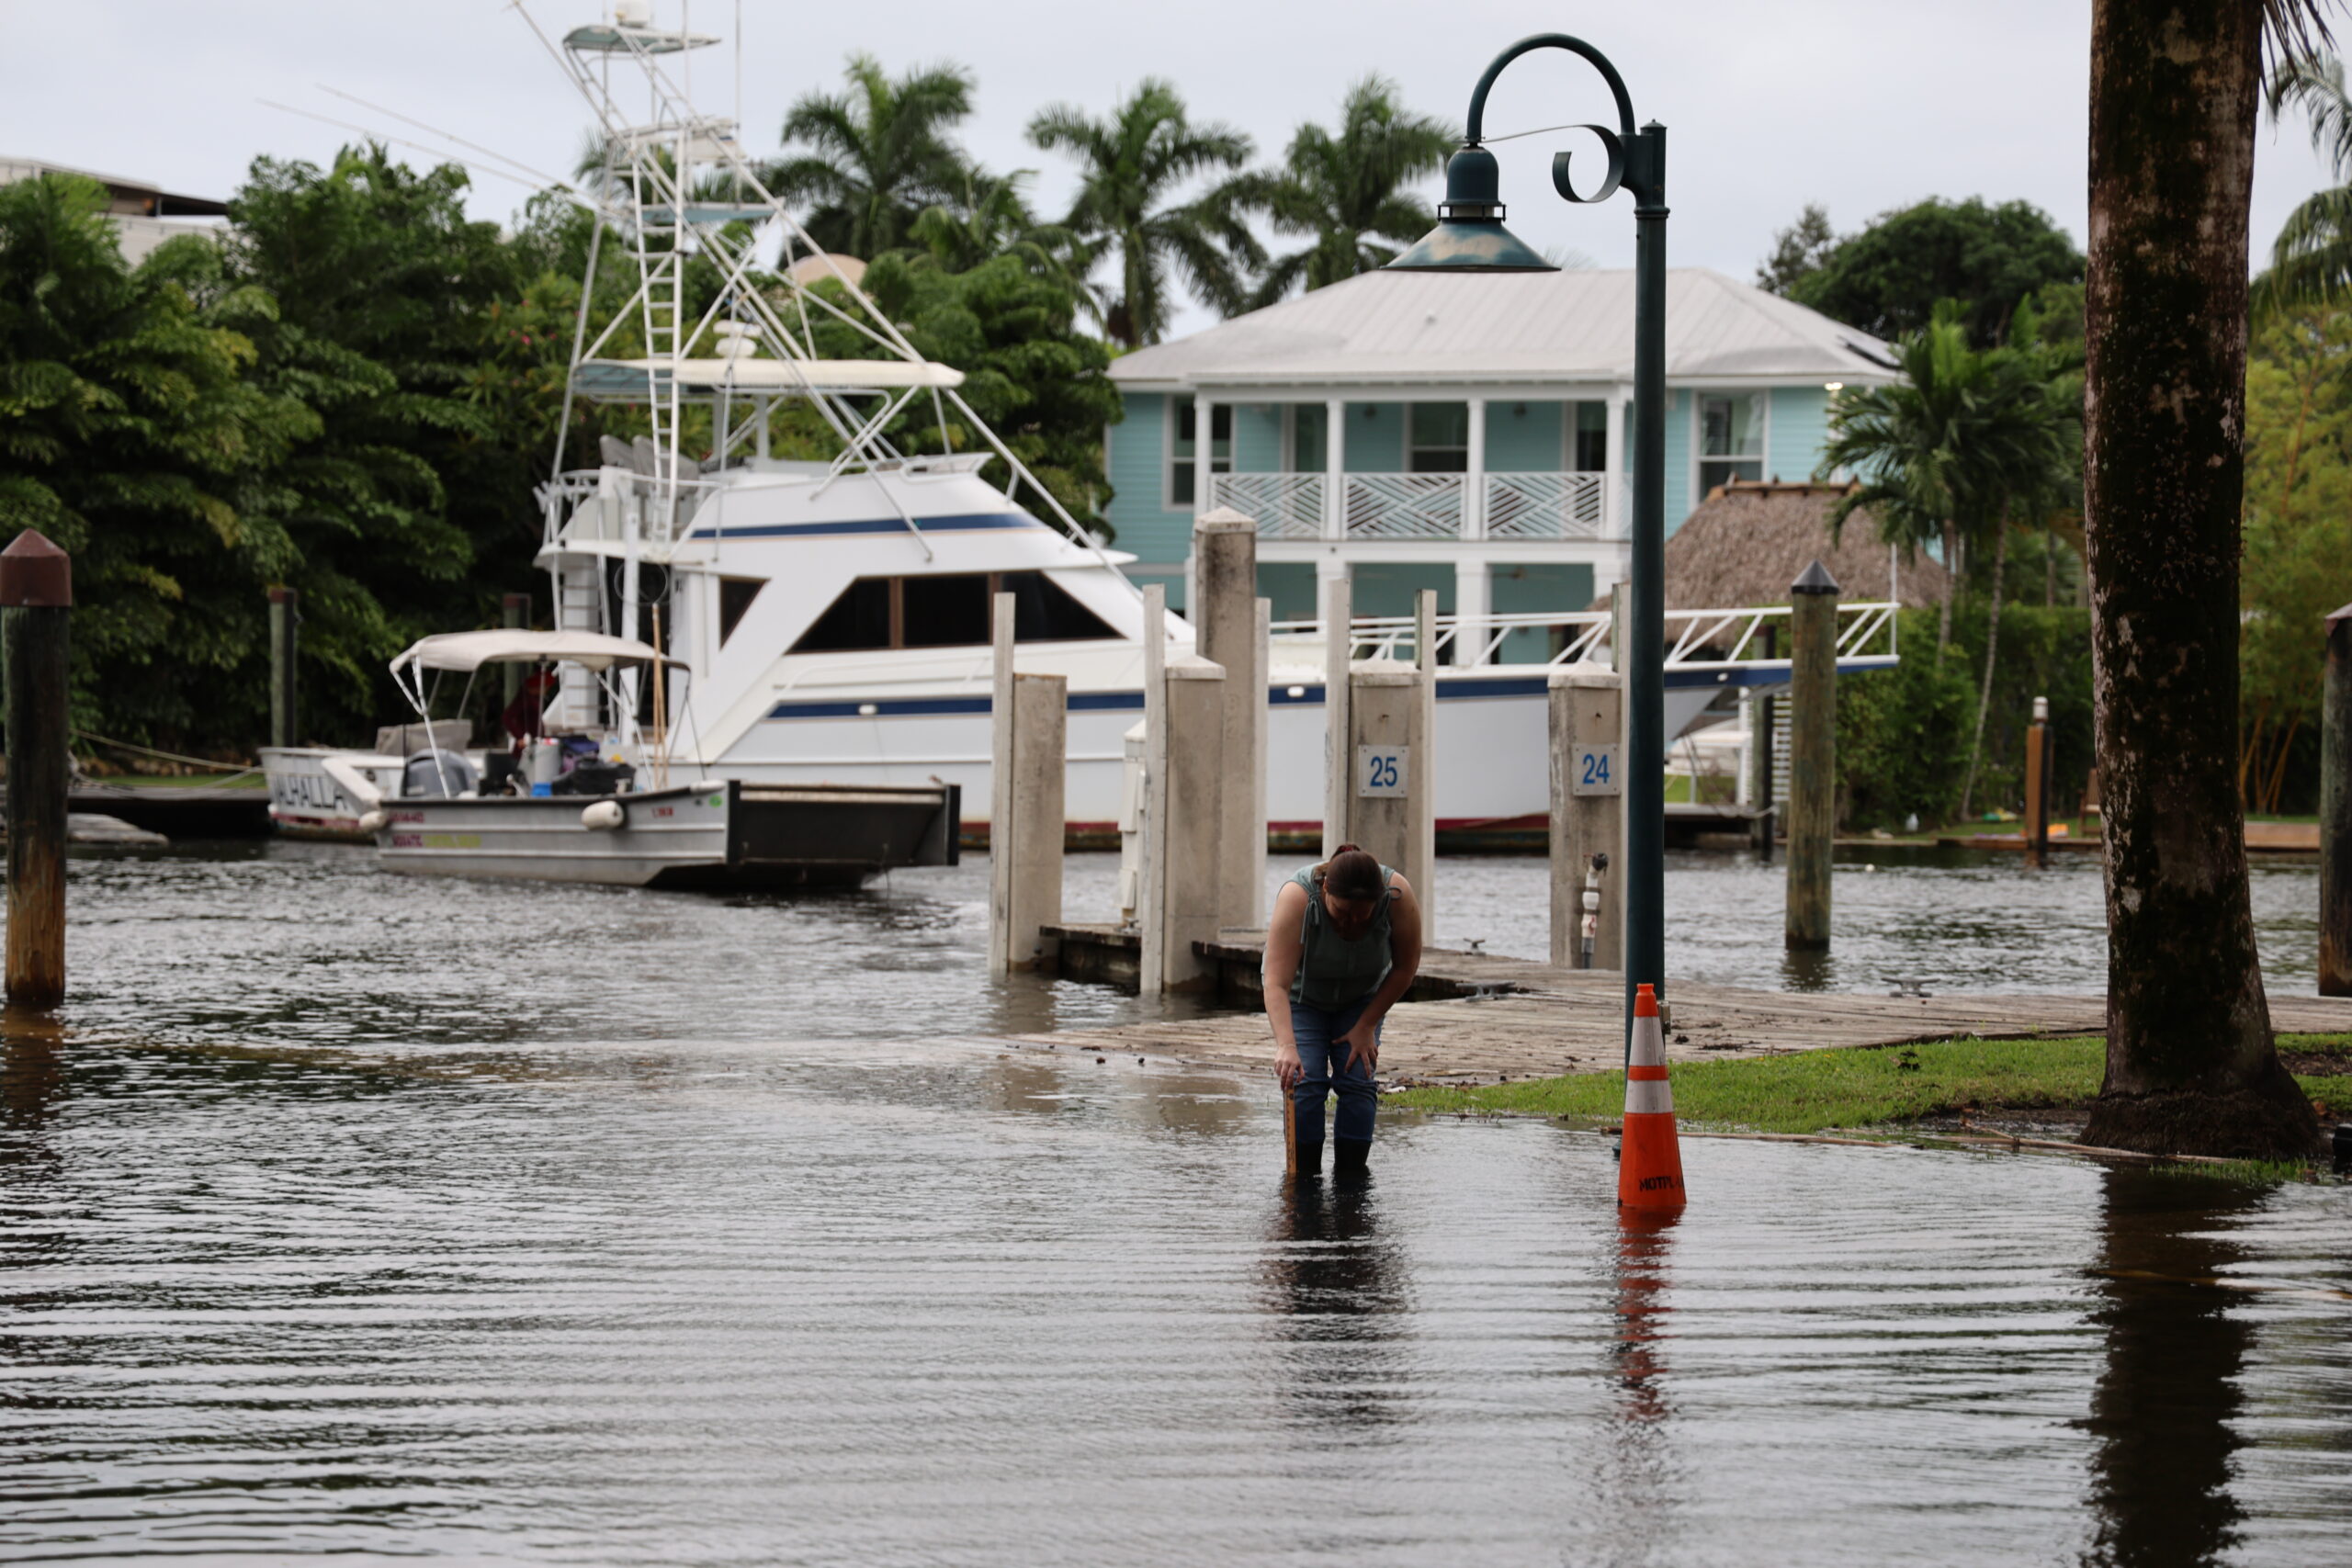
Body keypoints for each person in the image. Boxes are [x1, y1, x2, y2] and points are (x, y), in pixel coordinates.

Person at [1262, 843, 1423, 1180]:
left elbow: (1405, 969)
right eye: (1341, 912)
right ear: (1324, 891)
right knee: (1305, 1081)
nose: (1350, 923)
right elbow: (1275, 982)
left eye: (1361, 916)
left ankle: (1352, 1181)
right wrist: (1286, 1045)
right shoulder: (1298, 898)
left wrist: (1367, 1024)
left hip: (1362, 999)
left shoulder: (1397, 896)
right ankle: (1303, 1180)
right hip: (1302, 998)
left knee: (1358, 1079)